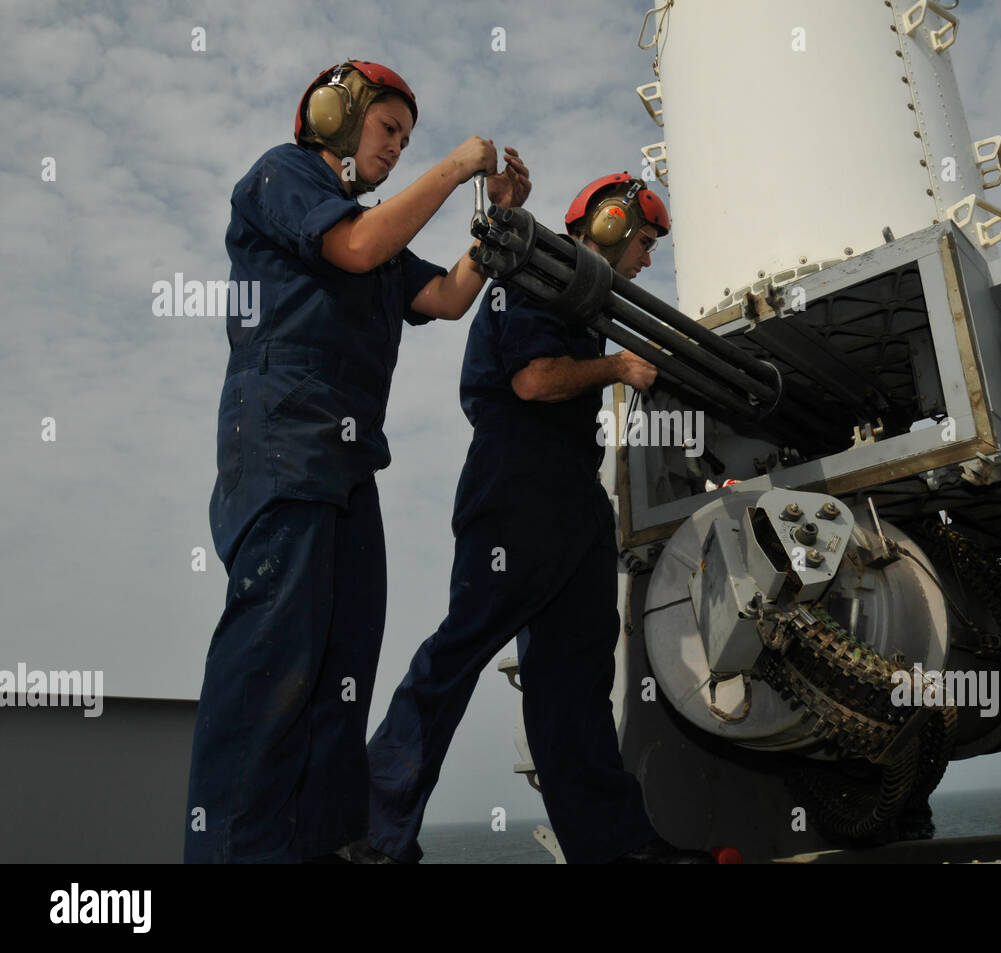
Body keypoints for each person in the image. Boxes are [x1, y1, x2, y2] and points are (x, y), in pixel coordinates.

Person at [185, 59, 531, 863]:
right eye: (388, 129)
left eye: (410, 141)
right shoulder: (285, 176)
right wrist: (453, 170)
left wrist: (497, 229)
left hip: (345, 463)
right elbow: (356, 247)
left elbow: (446, 295)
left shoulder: (372, 226)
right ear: (335, 115)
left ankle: (325, 846)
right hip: (282, 443)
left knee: (343, 670)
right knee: (273, 662)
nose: (399, 149)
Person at [361, 174, 715, 863]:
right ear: (609, 226)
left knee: (574, 684)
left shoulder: (579, 293)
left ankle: (613, 847)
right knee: (460, 650)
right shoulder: (534, 275)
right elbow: (533, 380)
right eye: (642, 243)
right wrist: (617, 367)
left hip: (573, 494)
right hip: (516, 486)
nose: (646, 260)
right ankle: (371, 827)